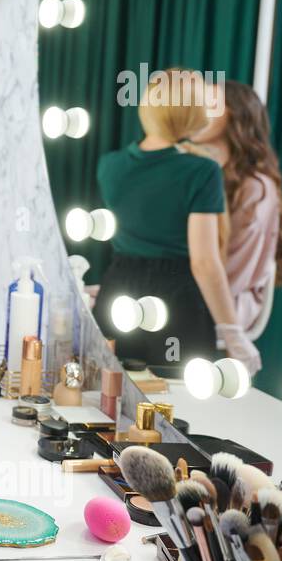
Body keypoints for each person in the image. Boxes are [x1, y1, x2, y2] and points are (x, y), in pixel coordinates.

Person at [94, 69, 261, 376]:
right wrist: (232, 332)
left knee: (112, 396)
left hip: (118, 290)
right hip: (177, 296)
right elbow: (205, 262)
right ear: (192, 113)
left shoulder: (110, 166)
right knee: (179, 404)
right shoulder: (202, 171)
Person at [190, 79, 282, 331]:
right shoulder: (195, 172)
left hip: (223, 306)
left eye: (211, 104)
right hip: (190, 293)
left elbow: (232, 273)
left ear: (237, 114)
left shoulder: (256, 189)